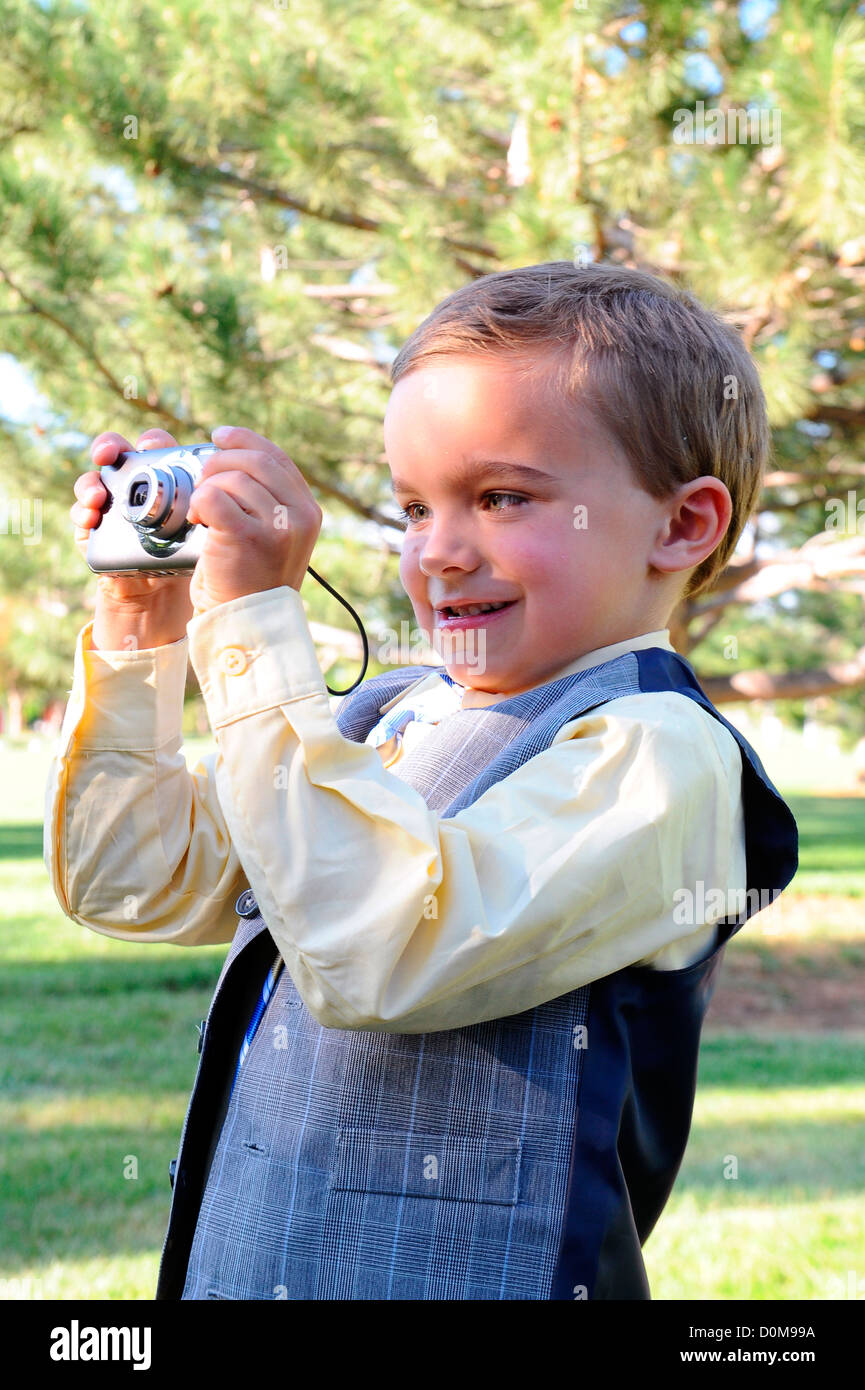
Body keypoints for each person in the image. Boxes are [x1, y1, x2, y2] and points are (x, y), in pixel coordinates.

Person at [45, 260, 798, 1300]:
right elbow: (131, 876)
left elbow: (379, 948)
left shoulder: (658, 755)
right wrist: (143, 616)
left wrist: (259, 624)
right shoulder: (379, 719)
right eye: (412, 507)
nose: (439, 551)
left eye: (500, 497)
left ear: (682, 525)